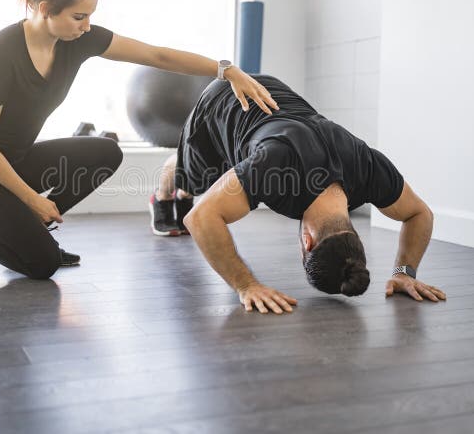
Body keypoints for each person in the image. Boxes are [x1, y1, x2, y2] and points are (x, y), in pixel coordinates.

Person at [0, 0, 278, 279]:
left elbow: (156, 55)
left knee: (105, 152)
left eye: (89, 16)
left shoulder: (76, 40)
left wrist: (226, 70)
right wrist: (32, 199)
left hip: (15, 161)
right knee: (41, 264)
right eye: (78, 17)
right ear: (44, 9)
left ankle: (31, 234)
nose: (86, 26)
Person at [150, 74, 447, 313]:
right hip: (223, 101)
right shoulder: (276, 167)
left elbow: (419, 213)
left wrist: (404, 272)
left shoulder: (368, 170)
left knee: (218, 182)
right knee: (191, 180)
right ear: (307, 241)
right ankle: (162, 197)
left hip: (271, 104)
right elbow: (199, 218)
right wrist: (246, 286)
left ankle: (188, 182)